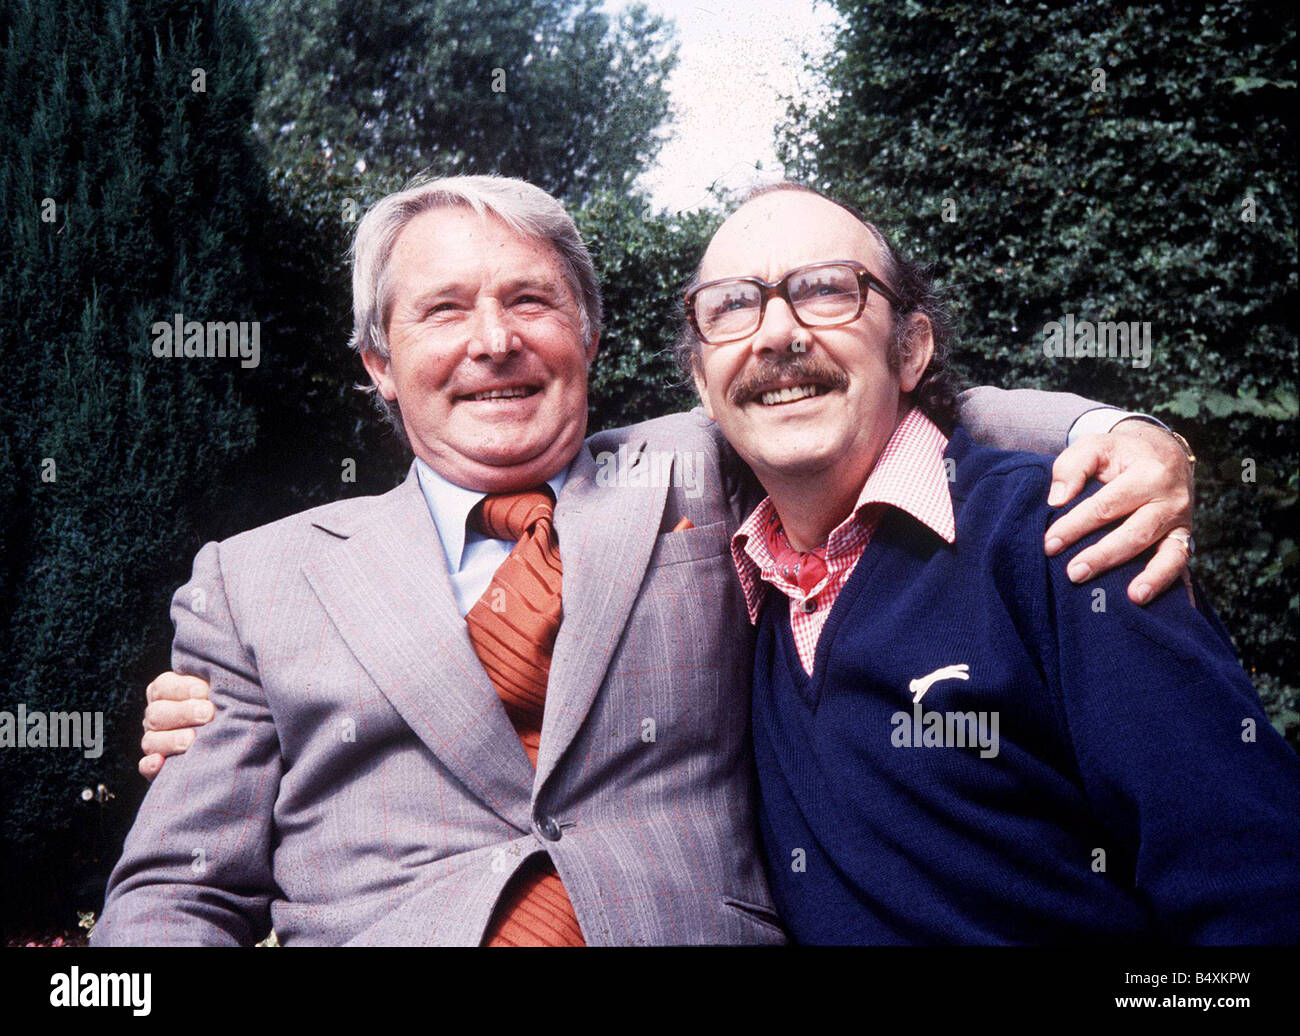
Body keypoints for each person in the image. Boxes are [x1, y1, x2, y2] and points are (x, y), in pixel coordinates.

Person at [100, 175, 1194, 946]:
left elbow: (887, 401)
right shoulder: (256, 581)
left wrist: (1119, 429)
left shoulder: (708, 465)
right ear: (379, 362)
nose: (493, 342)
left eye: (531, 300)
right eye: (442, 312)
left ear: (588, 330)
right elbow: (177, 890)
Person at [679, 182, 1299, 944]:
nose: (777, 332)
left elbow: (1257, 889)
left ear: (910, 350)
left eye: (827, 290)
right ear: (703, 386)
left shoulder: (1065, 539)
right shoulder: (743, 599)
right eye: (733, 306)